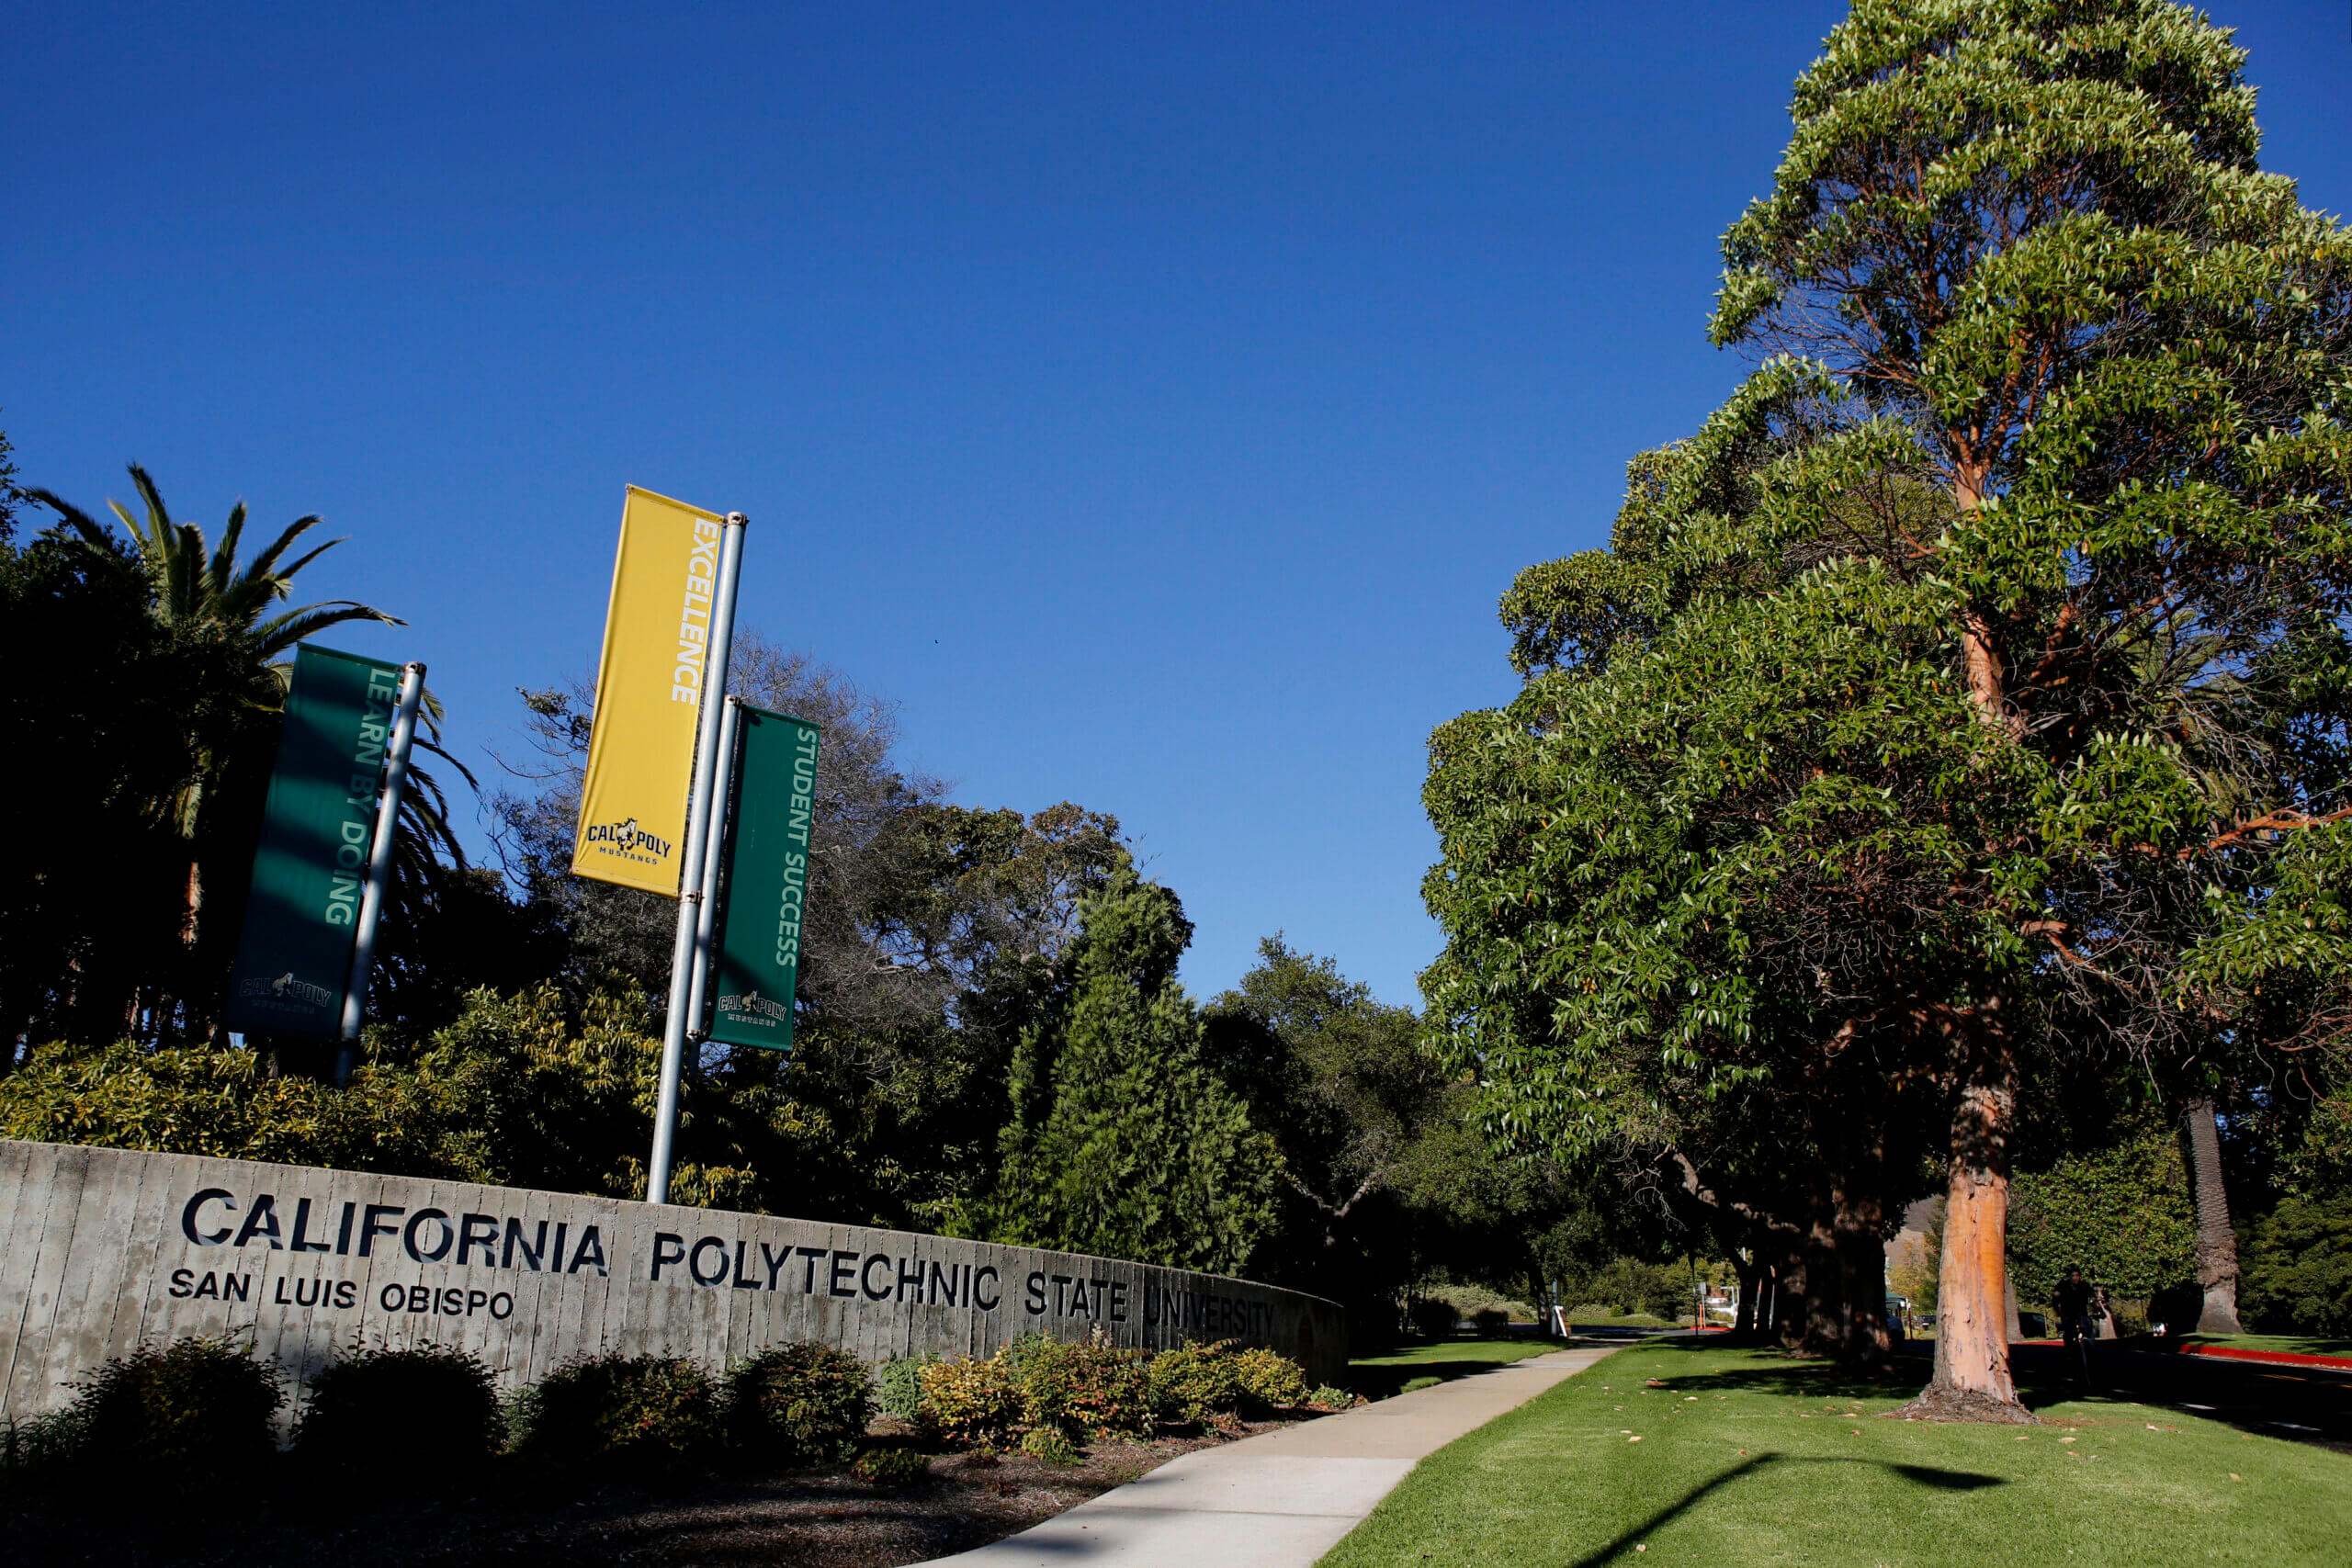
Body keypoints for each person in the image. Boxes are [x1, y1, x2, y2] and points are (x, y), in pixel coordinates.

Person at [2054, 1266, 2098, 1385]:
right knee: (2069, 1332)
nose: (2075, 1278)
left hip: (2081, 1314)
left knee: (2088, 1327)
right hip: (2068, 1314)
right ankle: (2069, 1351)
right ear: (2069, 1277)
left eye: (2077, 1275)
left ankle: (2091, 1349)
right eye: (2073, 1276)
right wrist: (2057, 1311)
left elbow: (2093, 1298)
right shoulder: (2062, 1286)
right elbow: (2055, 1299)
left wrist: (2096, 1306)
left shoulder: (2085, 1286)